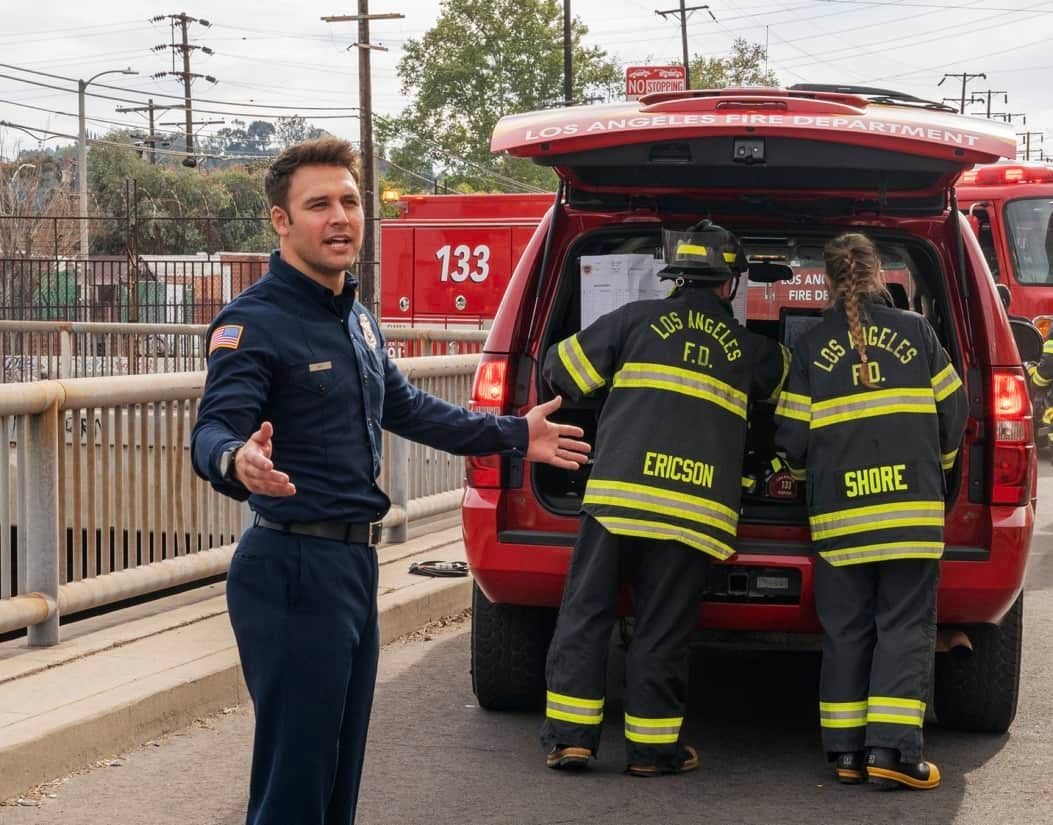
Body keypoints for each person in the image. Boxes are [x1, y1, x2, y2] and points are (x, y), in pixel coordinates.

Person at [190, 137, 590, 825]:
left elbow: (408, 409)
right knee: (295, 779)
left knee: (338, 771)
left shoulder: (354, 317)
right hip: (290, 567)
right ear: (281, 221)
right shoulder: (253, 323)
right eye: (319, 205)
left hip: (349, 563)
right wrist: (237, 459)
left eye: (349, 201)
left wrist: (517, 432)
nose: (340, 217)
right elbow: (211, 429)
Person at [540, 221, 789, 776]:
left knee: (586, 614)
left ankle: (571, 741)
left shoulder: (632, 321)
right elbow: (794, 395)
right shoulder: (754, 351)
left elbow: (559, 372)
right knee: (662, 628)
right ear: (730, 284)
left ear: (676, 276)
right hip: (693, 513)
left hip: (617, 502)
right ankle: (653, 752)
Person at [774, 232, 967, 790]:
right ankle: (895, 753)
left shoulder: (810, 345)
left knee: (846, 632)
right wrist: (940, 467)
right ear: (880, 274)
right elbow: (953, 416)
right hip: (910, 514)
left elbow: (790, 438)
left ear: (831, 280)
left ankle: (846, 753)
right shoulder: (919, 332)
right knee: (904, 626)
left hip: (839, 520)